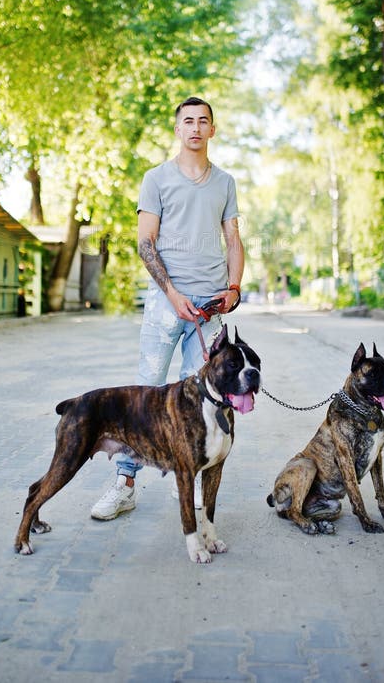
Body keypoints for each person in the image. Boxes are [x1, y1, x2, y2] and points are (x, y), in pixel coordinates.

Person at [90, 96, 244, 520]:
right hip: (165, 303)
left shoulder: (225, 182)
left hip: (209, 307)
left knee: (203, 399)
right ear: (178, 129)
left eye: (203, 121)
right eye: (188, 121)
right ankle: (124, 484)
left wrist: (233, 288)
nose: (195, 127)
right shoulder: (155, 178)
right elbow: (145, 243)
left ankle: (190, 484)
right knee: (145, 395)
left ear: (212, 129)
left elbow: (233, 240)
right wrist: (173, 294)